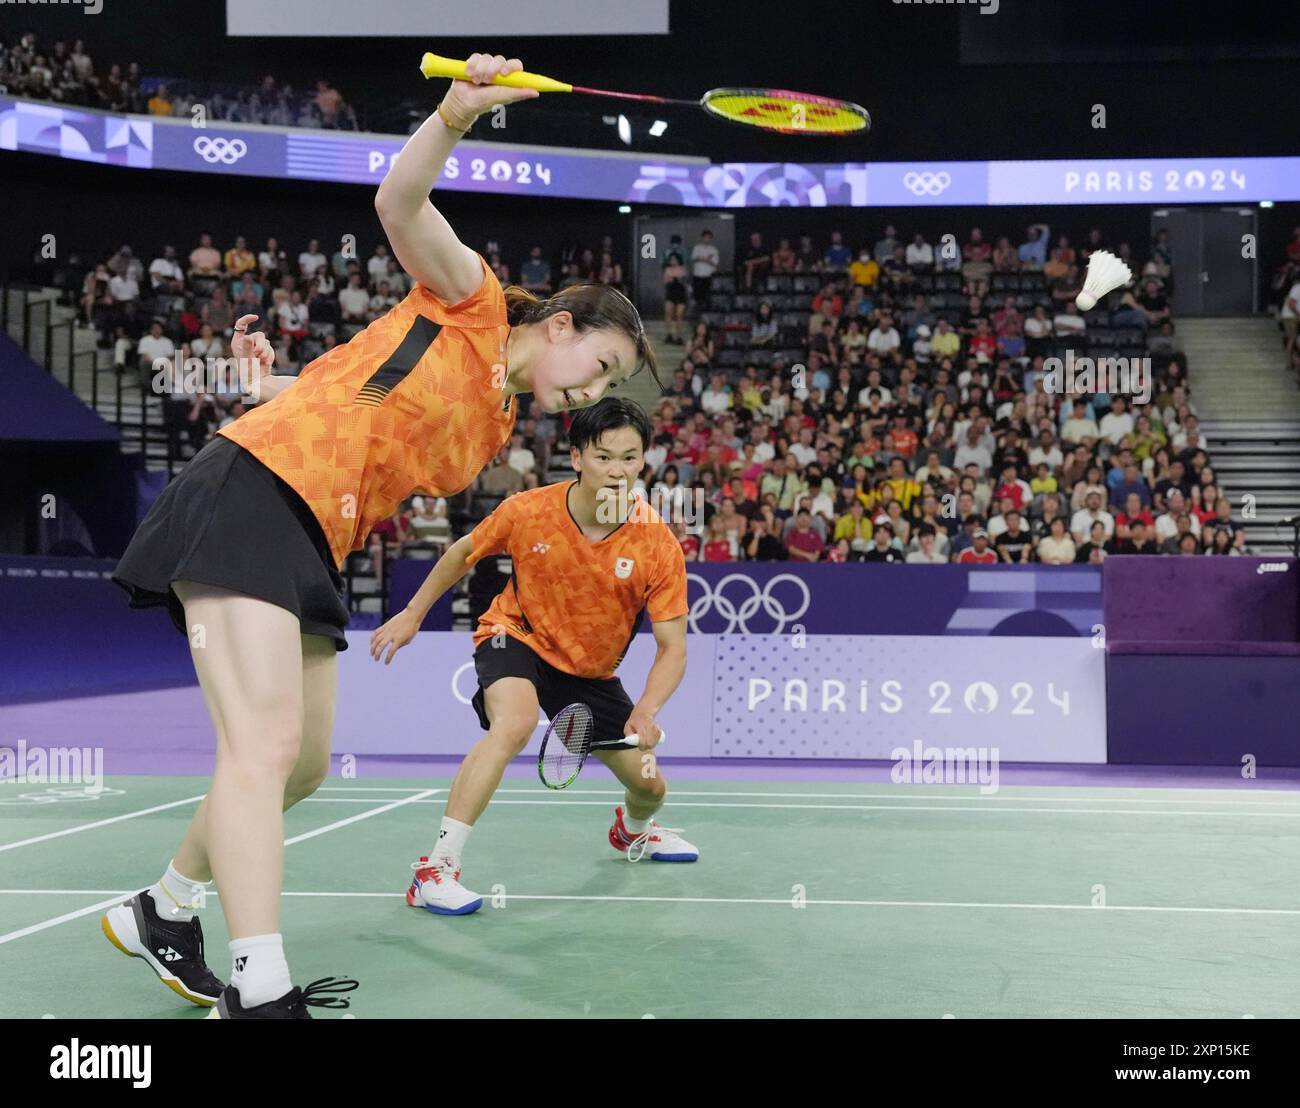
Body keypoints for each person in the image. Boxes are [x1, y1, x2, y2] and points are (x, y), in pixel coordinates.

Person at [105, 53, 656, 1020]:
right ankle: (260, 983)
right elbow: (400, 202)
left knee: (305, 762)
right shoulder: (472, 297)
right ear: (563, 324)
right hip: (256, 491)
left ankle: (167, 905)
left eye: (610, 388)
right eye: (598, 365)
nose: (592, 392)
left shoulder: (494, 423)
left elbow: (353, 395)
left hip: (311, 529)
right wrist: (453, 115)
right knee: (264, 744)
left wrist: (266, 387)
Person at [371, 400, 695, 916]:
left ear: (643, 462)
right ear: (577, 457)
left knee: (651, 785)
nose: (617, 470)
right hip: (515, 634)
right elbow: (461, 553)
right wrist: (413, 613)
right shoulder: (528, 510)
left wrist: (647, 710)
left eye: (630, 458)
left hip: (589, 671)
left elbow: (672, 646)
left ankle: (631, 832)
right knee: (514, 724)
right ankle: (436, 869)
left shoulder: (657, 543)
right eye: (604, 456)